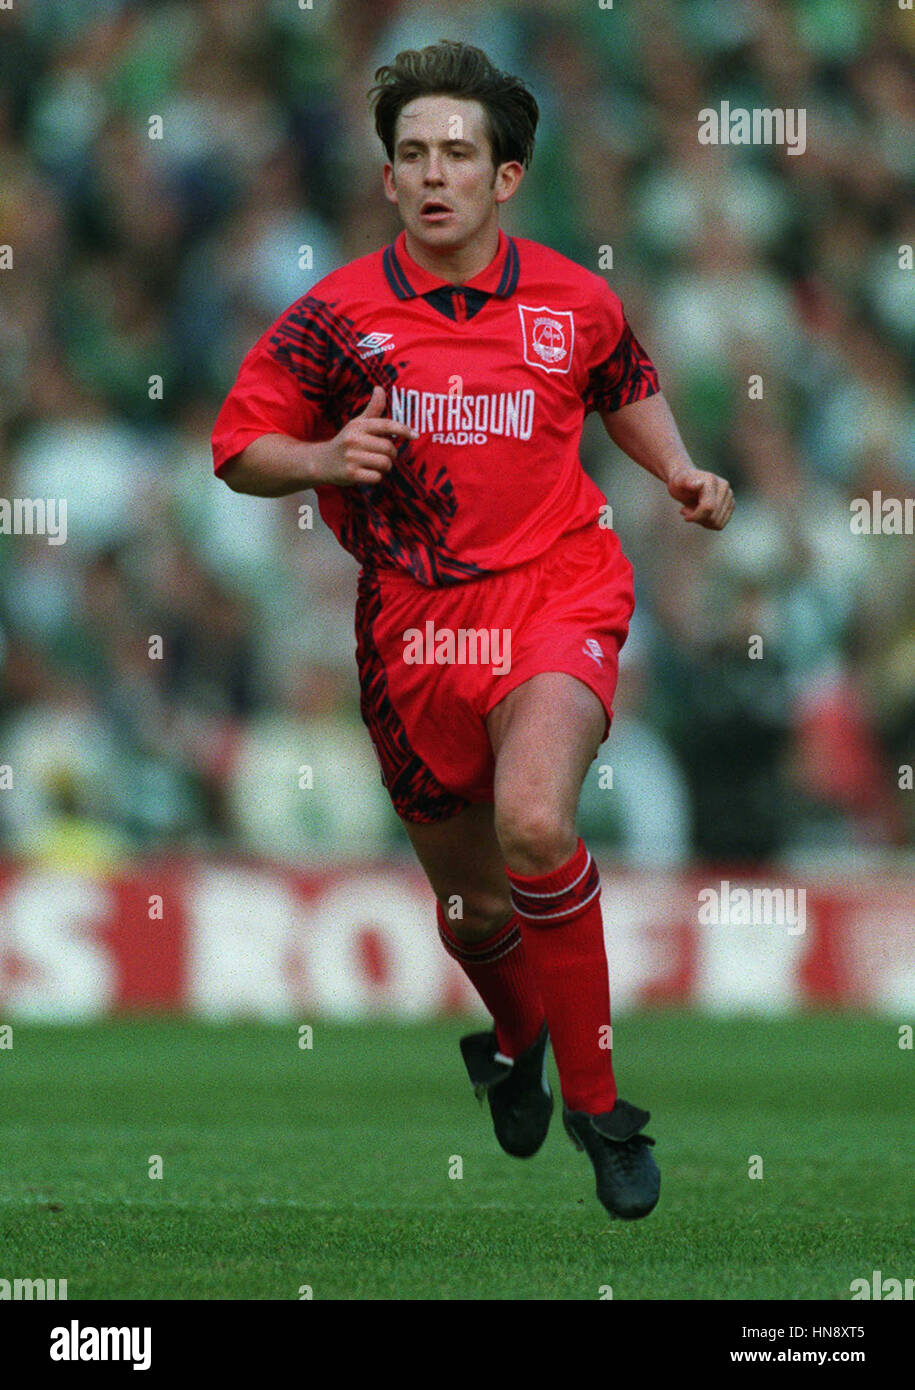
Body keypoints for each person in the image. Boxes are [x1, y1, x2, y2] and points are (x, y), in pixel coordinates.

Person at [211, 40, 734, 1221]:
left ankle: (604, 1113)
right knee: (475, 909)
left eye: (458, 153)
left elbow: (623, 378)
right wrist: (322, 456)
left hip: (560, 587)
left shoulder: (573, 297)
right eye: (412, 155)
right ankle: (516, 1035)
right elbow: (237, 446)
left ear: (505, 178)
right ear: (388, 177)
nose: (434, 173)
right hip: (412, 627)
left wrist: (681, 473)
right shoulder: (333, 319)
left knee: (537, 822)